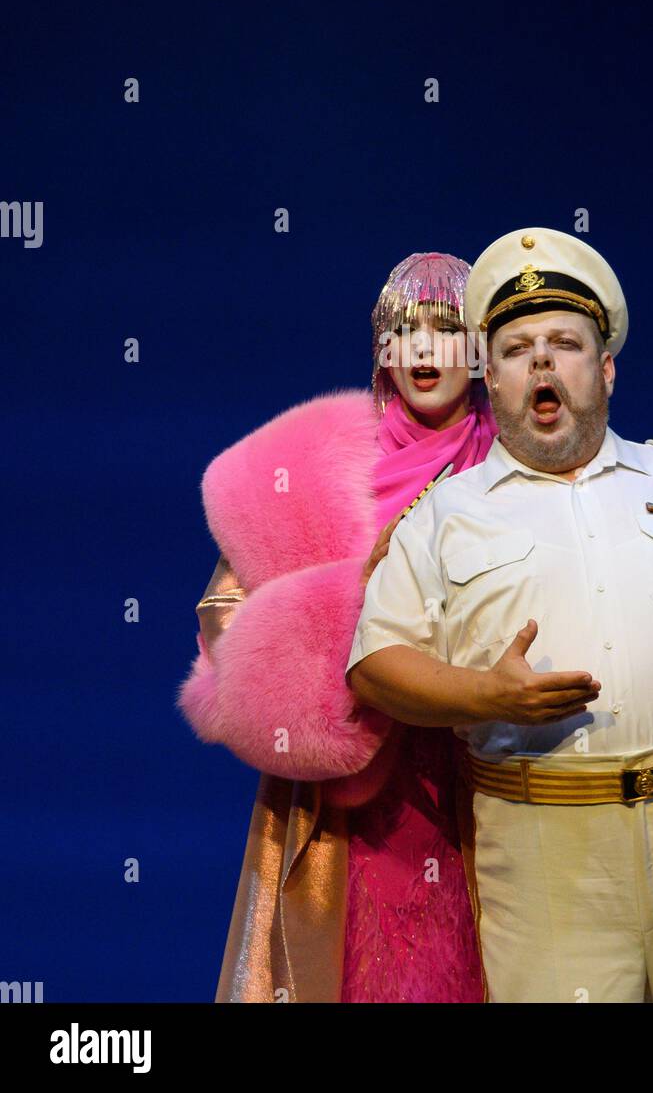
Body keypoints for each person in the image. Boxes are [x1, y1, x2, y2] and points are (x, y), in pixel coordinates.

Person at [346, 225, 653, 1003]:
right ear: (493, 381)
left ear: (605, 369)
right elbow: (375, 666)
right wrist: (488, 697)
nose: (542, 360)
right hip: (543, 846)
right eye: (516, 349)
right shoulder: (440, 519)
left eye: (565, 343)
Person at [177, 251, 497, 1002]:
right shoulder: (302, 470)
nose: (423, 349)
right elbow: (223, 624)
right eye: (403, 330)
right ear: (381, 348)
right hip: (345, 811)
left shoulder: (517, 473)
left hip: (489, 791)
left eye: (447, 329)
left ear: (480, 352)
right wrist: (355, 606)